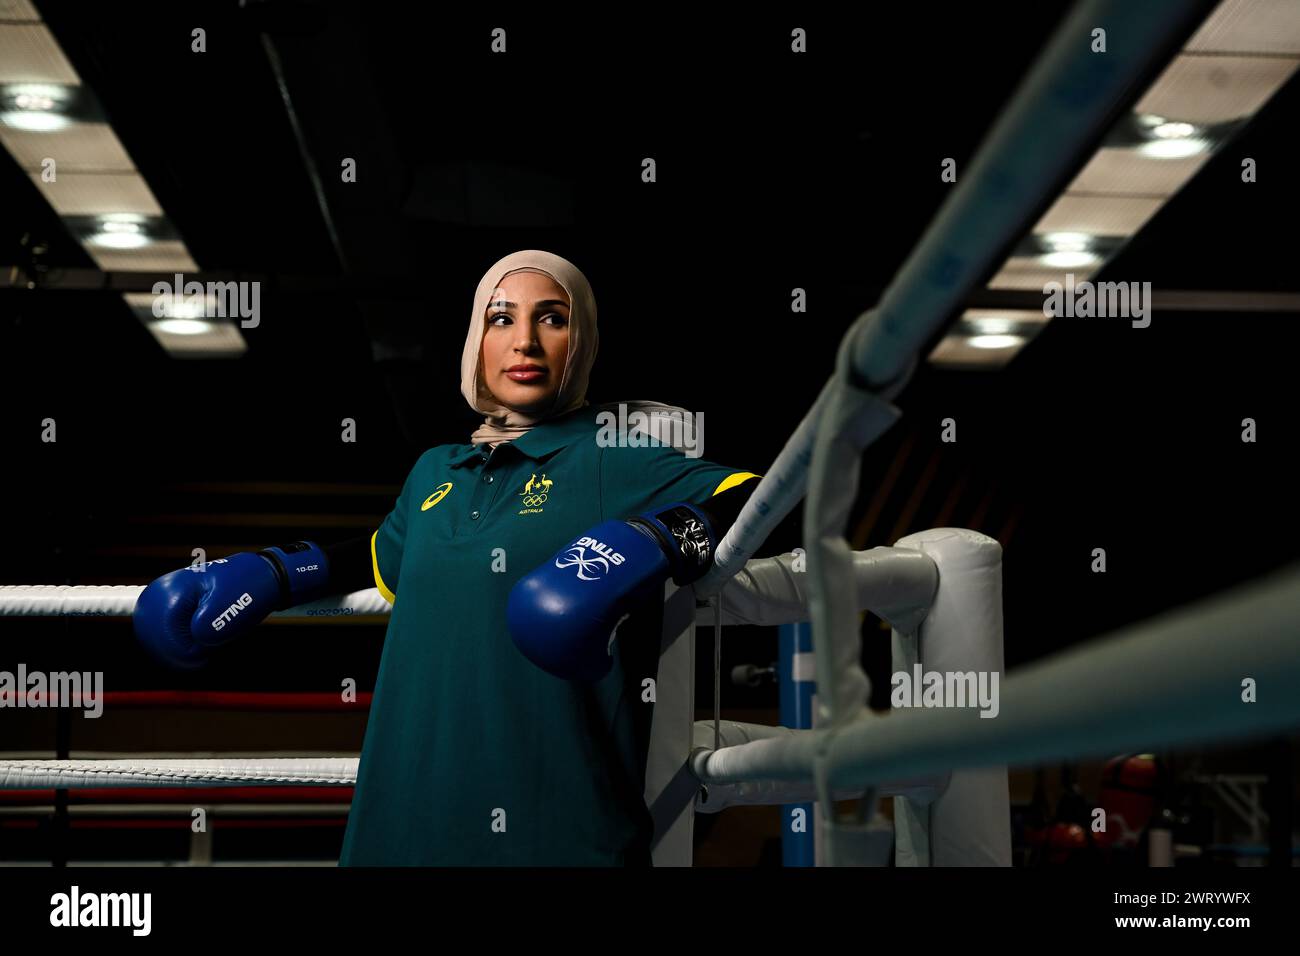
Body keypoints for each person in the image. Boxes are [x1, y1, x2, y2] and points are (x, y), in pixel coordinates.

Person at [132, 249, 759, 865]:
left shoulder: (613, 457)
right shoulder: (437, 471)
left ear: (583, 341)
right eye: (501, 318)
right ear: (476, 342)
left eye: (553, 318)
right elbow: (381, 555)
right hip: (399, 822)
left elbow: (773, 502)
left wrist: (660, 537)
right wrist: (272, 571)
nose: (525, 342)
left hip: (552, 830)